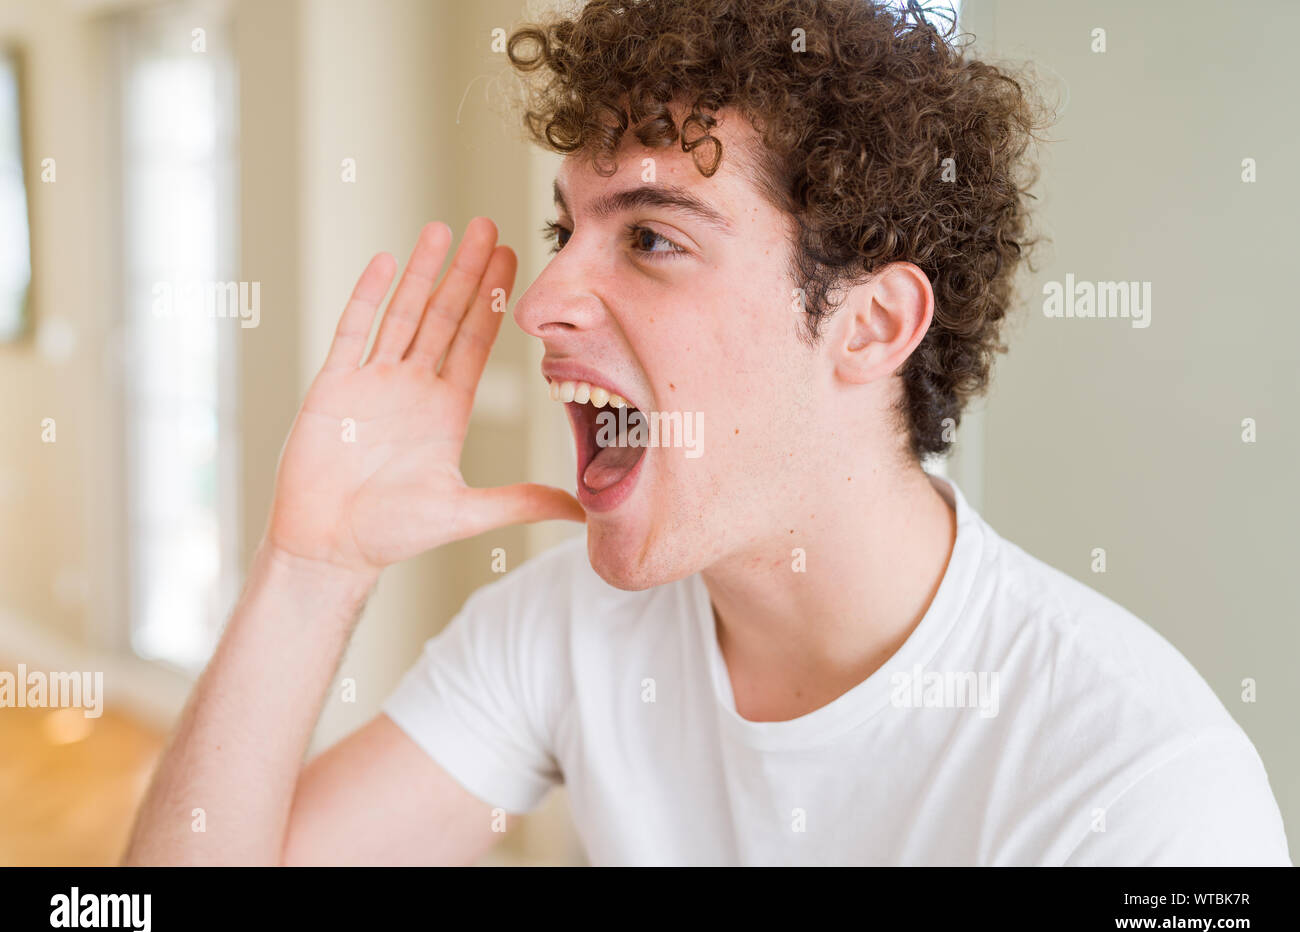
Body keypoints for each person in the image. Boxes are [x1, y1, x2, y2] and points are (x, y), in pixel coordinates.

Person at [124, 0, 1290, 865]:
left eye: (650, 238)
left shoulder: (1143, 793)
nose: (541, 301)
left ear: (870, 324)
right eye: (568, 228)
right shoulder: (570, 631)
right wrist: (308, 574)